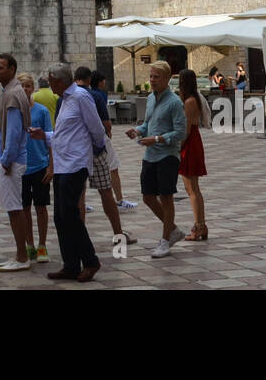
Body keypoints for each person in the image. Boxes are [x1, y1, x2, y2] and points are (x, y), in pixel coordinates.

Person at [28, 63, 106, 283]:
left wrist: (93, 150)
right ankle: (70, 264)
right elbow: (64, 133)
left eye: (51, 82)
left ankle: (90, 261)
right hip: (62, 164)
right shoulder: (64, 100)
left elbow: (96, 129)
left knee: (70, 215)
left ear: (59, 81)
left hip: (75, 164)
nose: (49, 85)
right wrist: (44, 135)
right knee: (61, 217)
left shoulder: (81, 97)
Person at [126, 62, 187, 259]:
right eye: (151, 76)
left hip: (167, 155)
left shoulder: (175, 102)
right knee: (147, 196)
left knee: (166, 198)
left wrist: (158, 139)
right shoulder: (151, 98)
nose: (152, 80)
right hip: (150, 155)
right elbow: (148, 124)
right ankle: (173, 230)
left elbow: (180, 132)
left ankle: (164, 241)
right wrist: (138, 131)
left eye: (156, 77)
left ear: (167, 79)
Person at [74, 66, 136, 248]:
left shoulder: (66, 97)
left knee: (80, 195)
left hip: (77, 152)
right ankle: (118, 234)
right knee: (105, 191)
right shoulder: (96, 96)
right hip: (95, 149)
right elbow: (106, 123)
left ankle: (80, 237)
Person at [0, 53, 33, 271]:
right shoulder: (9, 92)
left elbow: (15, 132)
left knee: (15, 209)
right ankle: (20, 254)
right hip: (6, 159)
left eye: (1, 68)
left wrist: (6, 160)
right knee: (13, 209)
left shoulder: (14, 94)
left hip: (10, 161)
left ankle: (22, 257)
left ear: (12, 69)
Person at [18, 74, 53, 263]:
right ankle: (29, 244)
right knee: (24, 208)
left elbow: (50, 139)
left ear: (33, 88)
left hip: (40, 164)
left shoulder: (42, 111)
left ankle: (42, 245)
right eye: (22, 86)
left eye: (28, 86)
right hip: (21, 166)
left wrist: (51, 166)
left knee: (41, 207)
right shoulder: (14, 111)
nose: (25, 89)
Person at [91, 71, 136, 209]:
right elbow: (104, 117)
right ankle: (120, 200)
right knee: (113, 166)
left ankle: (81, 203)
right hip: (100, 135)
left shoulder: (85, 94)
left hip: (85, 137)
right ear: (100, 82)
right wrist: (109, 130)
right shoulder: (100, 95)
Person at [178, 75, 209, 241]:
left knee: (191, 188)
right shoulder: (194, 99)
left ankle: (198, 226)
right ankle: (201, 225)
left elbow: (187, 129)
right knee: (193, 188)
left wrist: (178, 147)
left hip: (189, 142)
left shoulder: (190, 101)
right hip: (194, 140)